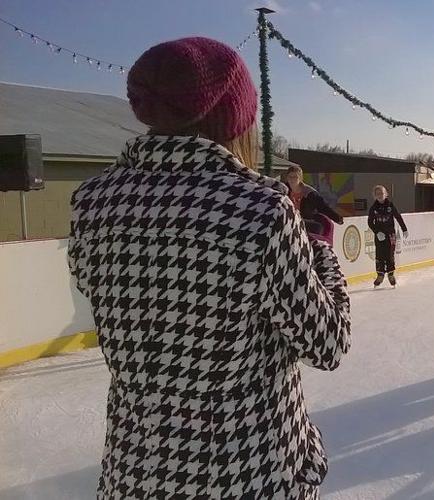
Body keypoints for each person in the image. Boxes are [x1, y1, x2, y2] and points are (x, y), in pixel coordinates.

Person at [67, 37, 351, 499]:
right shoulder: (261, 209)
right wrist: (319, 254)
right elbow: (328, 344)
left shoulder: (91, 202)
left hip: (136, 468)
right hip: (246, 470)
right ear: (232, 118)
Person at [368, 185, 408, 287]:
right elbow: (370, 222)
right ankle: (380, 275)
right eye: (377, 194)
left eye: (381, 193)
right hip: (380, 236)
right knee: (380, 255)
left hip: (390, 235)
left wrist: (404, 229)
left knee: (390, 254)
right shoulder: (373, 208)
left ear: (386, 194)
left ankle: (391, 274)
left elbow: (398, 217)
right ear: (374, 196)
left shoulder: (390, 206)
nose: (380, 195)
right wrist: (377, 232)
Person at [285, 165, 344, 234]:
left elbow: (323, 207)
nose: (292, 179)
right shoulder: (282, 190)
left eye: (295, 177)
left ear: (300, 178)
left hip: (304, 221)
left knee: (317, 227)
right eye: (290, 177)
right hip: (286, 220)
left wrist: (337, 218)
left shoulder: (310, 193)